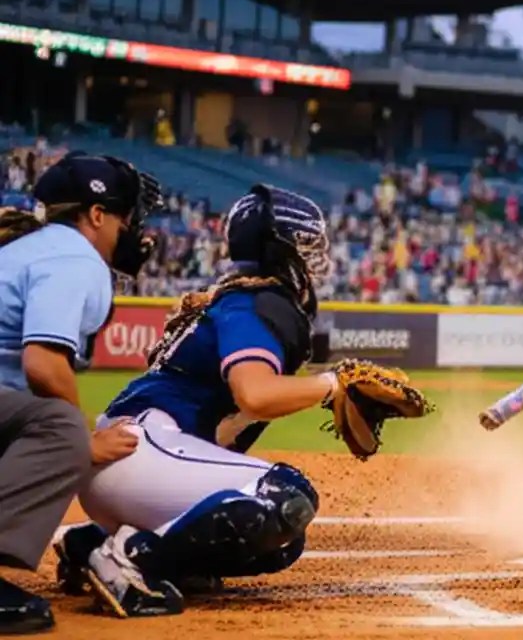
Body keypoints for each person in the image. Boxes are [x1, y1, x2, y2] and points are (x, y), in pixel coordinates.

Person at [52, 185, 368, 619]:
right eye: (306, 244)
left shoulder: (238, 299)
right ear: (279, 248)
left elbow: (228, 422)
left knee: (281, 544)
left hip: (131, 462)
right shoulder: (256, 303)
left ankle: (88, 543)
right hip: (140, 451)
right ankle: (131, 558)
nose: (315, 258)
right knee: (286, 497)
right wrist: (332, 385)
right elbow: (254, 395)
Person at [0, 152, 162, 634]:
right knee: (60, 424)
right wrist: (83, 444)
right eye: (125, 218)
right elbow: (44, 364)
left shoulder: (30, 248)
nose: (131, 232)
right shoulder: (75, 256)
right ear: (95, 215)